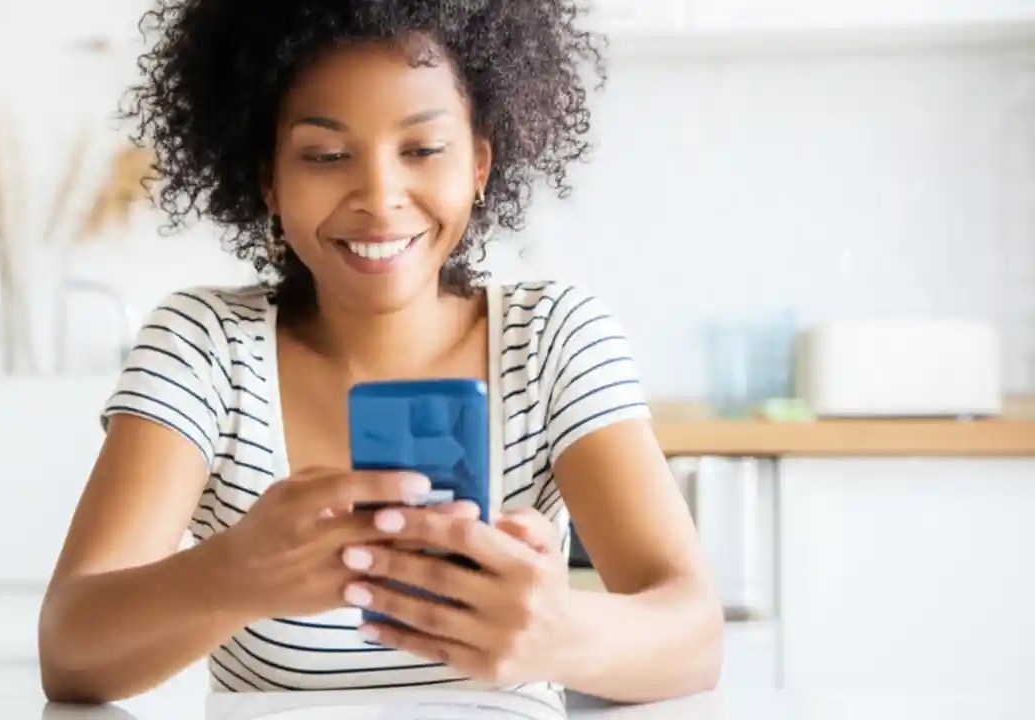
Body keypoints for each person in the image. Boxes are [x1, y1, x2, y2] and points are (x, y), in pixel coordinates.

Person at [38, 0, 722, 704]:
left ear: (480, 162)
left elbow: (694, 634)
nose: (379, 195)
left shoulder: (552, 338)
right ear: (268, 178)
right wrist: (228, 574)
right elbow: (69, 653)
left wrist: (562, 631)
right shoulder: (204, 348)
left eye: (423, 150)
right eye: (327, 156)